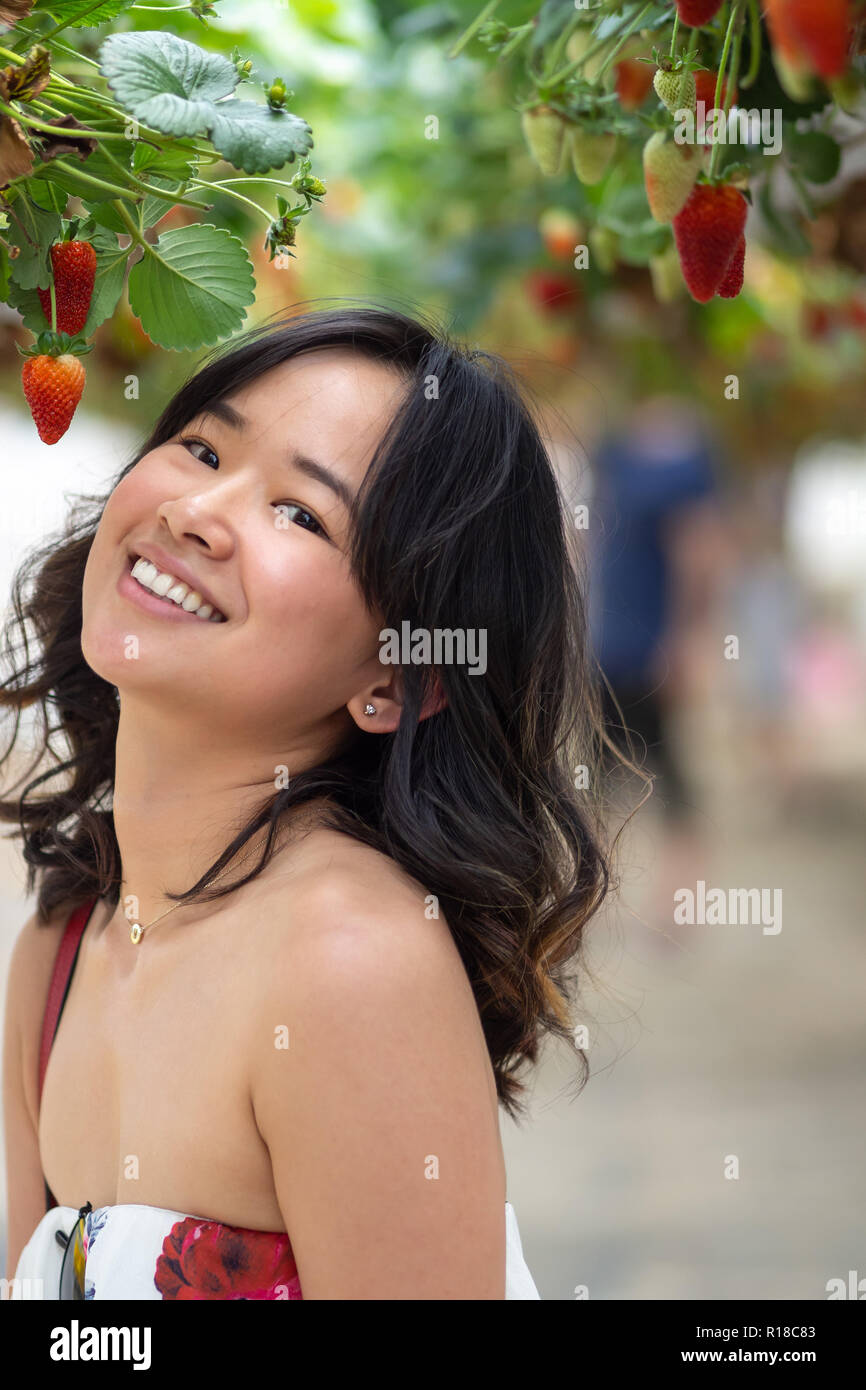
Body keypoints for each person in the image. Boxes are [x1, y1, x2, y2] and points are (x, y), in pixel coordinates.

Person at [0, 302, 614, 1300]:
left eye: (300, 514)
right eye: (201, 449)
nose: (195, 512)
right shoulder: (60, 948)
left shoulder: (349, 961)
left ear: (397, 678)